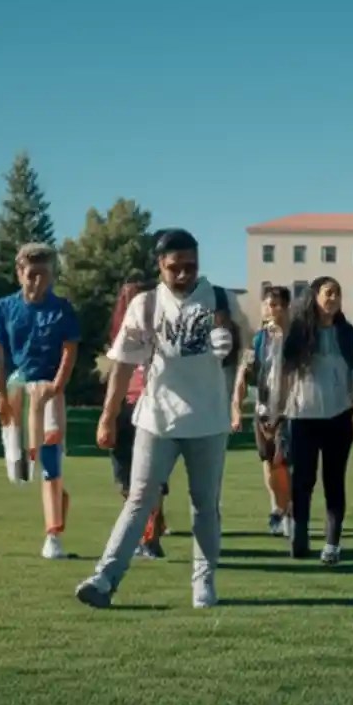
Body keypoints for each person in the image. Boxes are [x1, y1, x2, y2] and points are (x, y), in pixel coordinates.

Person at [75, 229, 235, 609]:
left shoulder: (219, 298)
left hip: (208, 421)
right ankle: (104, 578)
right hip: (156, 419)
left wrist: (229, 343)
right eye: (174, 268)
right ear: (160, 266)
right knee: (138, 500)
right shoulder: (145, 306)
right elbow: (123, 367)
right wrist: (108, 416)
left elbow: (240, 346)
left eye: (190, 267)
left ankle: (203, 582)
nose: (183, 275)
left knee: (204, 505)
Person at [0, 242, 80, 560]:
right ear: (20, 273)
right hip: (18, 390)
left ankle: (53, 536)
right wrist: (0, 396)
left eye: (45, 275)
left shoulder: (62, 308)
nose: (39, 282)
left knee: (50, 461)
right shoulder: (3, 309)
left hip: (49, 391)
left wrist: (57, 385)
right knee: (22, 472)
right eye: (32, 275)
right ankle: (58, 499)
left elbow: (70, 349)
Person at [267, 277, 353, 565]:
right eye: (328, 293)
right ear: (314, 297)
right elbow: (282, 376)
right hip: (302, 418)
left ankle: (332, 545)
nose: (333, 298)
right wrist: (276, 413)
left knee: (334, 482)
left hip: (338, 418)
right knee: (303, 481)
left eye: (338, 293)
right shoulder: (298, 335)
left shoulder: (350, 336)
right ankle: (299, 537)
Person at [105, 279, 170, 559]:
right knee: (125, 479)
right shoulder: (120, 336)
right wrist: (108, 413)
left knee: (151, 479)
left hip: (153, 408)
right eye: (129, 297)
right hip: (125, 408)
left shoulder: (164, 330)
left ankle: (150, 538)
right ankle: (146, 527)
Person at [232, 285, 293, 537]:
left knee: (282, 462)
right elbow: (243, 374)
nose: (271, 308)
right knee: (268, 463)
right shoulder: (258, 340)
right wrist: (236, 408)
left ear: (286, 308)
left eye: (277, 304)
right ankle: (278, 510)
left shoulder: (294, 339)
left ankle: (288, 512)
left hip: (289, 410)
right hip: (263, 409)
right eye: (268, 303)